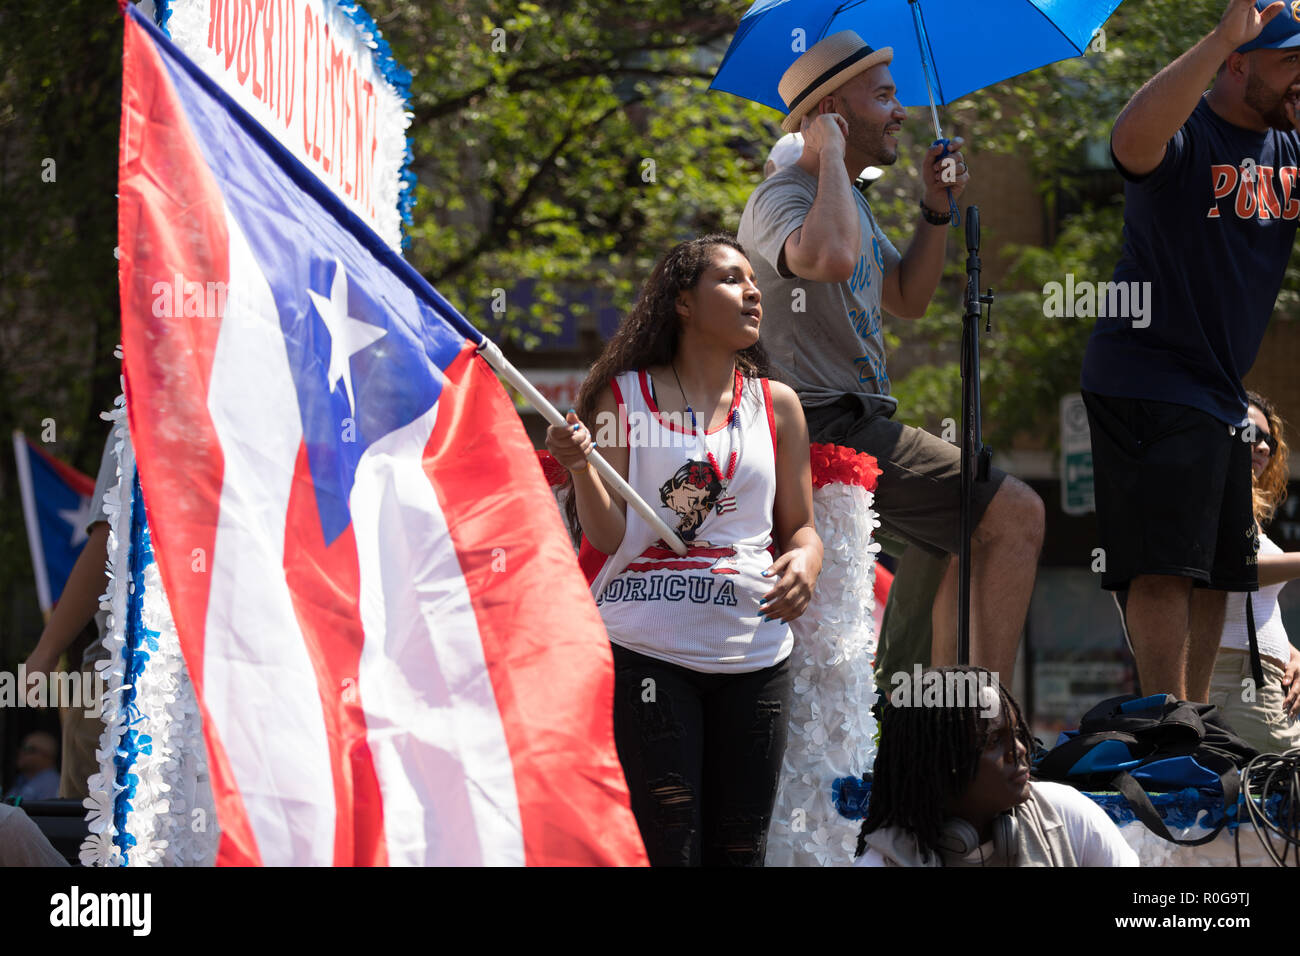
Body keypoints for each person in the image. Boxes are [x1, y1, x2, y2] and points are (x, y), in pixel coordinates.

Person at [736, 30, 1044, 683]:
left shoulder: (851, 202)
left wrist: (935, 210)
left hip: (860, 421)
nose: (901, 110)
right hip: (820, 424)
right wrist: (828, 159)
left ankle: (914, 712)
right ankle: (983, 723)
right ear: (832, 115)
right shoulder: (781, 196)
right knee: (1016, 513)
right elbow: (829, 259)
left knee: (955, 540)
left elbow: (908, 297)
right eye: (884, 96)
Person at [546, 234, 823, 866]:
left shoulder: (778, 405)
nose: (753, 292)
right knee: (671, 847)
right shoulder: (623, 397)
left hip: (755, 656)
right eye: (731, 280)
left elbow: (801, 528)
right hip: (647, 652)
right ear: (683, 304)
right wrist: (581, 469)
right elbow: (609, 536)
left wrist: (807, 561)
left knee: (742, 850)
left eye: (755, 281)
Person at [1082, 0, 1300, 703]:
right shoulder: (1188, 133)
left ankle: (1193, 726)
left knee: (1221, 569)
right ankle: (1163, 725)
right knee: (1165, 568)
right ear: (1237, 64)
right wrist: (1216, 37)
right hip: (1146, 374)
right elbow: (1128, 140)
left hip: (1217, 389)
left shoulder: (1288, 144)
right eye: (1291, 64)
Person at [855, 667, 1139, 867]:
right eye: (993, 741)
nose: (1020, 750)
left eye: (1016, 733)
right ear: (940, 765)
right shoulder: (882, 862)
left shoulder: (1069, 816)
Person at [24, 432, 116, 800]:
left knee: (88, 843)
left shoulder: (145, 410)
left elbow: (108, 538)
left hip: (122, 681)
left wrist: (44, 654)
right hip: (228, 674)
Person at [1208, 391, 1300, 753]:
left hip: (1259, 684)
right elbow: (1236, 569)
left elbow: (1251, 604)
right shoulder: (1212, 498)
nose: (1262, 447)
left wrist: (1292, 655)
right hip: (1241, 684)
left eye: (1268, 439)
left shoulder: (1244, 508)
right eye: (1250, 434)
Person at [3, 731, 60, 802]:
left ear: (47, 756)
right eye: (22, 748)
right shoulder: (21, 780)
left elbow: (47, 812)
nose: (21, 752)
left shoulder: (51, 784)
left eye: (29, 749)